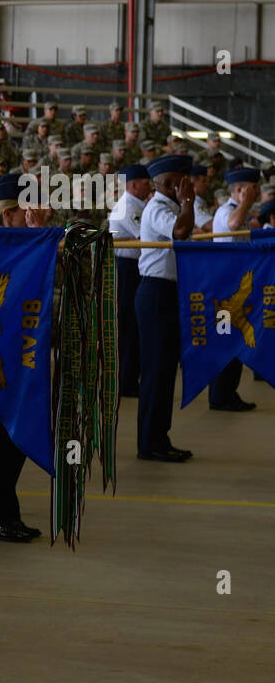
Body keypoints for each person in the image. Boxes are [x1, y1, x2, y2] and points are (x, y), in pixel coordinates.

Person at [0, 174, 46, 542]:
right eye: (26, 209)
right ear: (9, 214)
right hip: (0, 352)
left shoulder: (24, 243)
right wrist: (38, 237)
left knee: (12, 436)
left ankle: (6, 511)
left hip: (21, 350)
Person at [135, 155, 195, 463]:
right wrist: (188, 202)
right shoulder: (158, 208)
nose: (189, 185)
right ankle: (149, 442)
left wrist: (185, 205)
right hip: (156, 292)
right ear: (171, 183)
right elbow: (181, 233)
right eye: (184, 180)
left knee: (166, 369)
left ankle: (160, 436)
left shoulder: (171, 207)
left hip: (168, 292)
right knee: (156, 370)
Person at [206, 167, 261, 412]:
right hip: (225, 288)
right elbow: (234, 224)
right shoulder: (226, 211)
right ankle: (219, 395)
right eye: (252, 189)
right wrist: (246, 202)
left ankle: (229, 392)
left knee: (235, 340)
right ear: (240, 190)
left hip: (235, 286)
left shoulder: (239, 211)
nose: (257, 193)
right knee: (226, 338)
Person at [108, 164, 152, 398]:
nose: (150, 186)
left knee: (133, 325)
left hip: (133, 267)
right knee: (127, 324)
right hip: (125, 268)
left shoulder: (138, 204)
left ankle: (129, 377)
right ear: (134, 184)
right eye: (146, 182)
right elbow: (144, 236)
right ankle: (125, 381)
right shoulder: (127, 206)